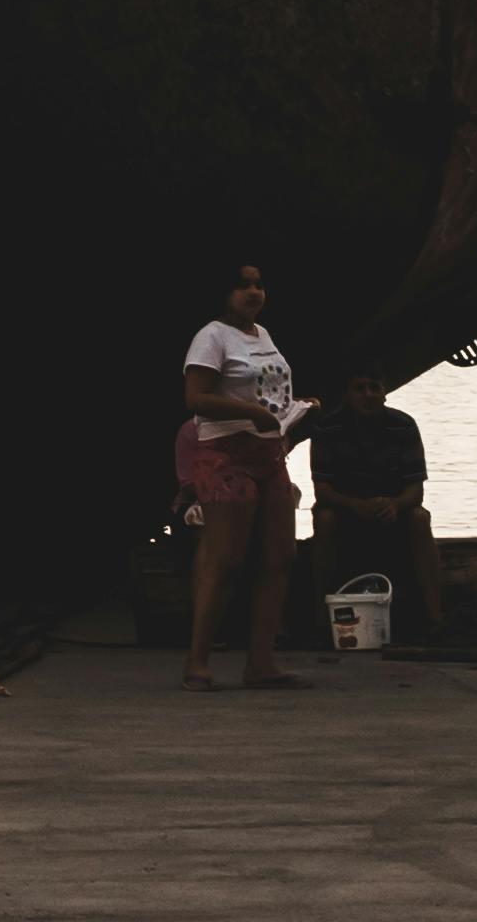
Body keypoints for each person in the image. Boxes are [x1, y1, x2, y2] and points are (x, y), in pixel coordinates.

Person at [177, 258, 303, 687]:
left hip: (269, 452)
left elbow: (267, 389)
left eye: (258, 284)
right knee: (224, 558)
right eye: (242, 286)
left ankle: (261, 662)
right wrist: (248, 412)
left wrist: (293, 409)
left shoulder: (261, 334)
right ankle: (197, 661)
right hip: (226, 454)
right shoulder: (211, 337)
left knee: (280, 555)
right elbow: (196, 397)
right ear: (222, 294)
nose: (253, 292)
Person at [305, 368, 446, 640]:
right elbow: (323, 491)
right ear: (347, 395)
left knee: (419, 517)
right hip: (345, 509)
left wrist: (395, 504)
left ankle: (435, 617)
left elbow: (415, 490)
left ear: (384, 393)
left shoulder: (404, 426)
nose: (368, 395)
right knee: (324, 518)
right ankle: (319, 618)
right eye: (359, 388)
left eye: (374, 388)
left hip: (391, 511)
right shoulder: (326, 427)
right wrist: (355, 505)